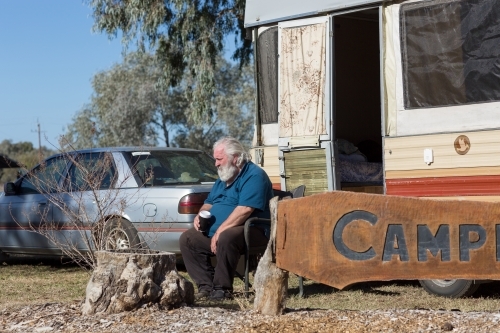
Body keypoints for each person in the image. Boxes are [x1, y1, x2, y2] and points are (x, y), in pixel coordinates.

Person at [179, 136, 274, 300]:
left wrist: (220, 231)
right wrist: (200, 214)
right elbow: (209, 203)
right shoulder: (223, 177)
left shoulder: (254, 176)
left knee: (226, 237)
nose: (216, 163)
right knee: (188, 239)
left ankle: (222, 290)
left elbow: (245, 210)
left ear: (235, 158)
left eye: (219, 159)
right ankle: (206, 287)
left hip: (253, 228)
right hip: (220, 231)